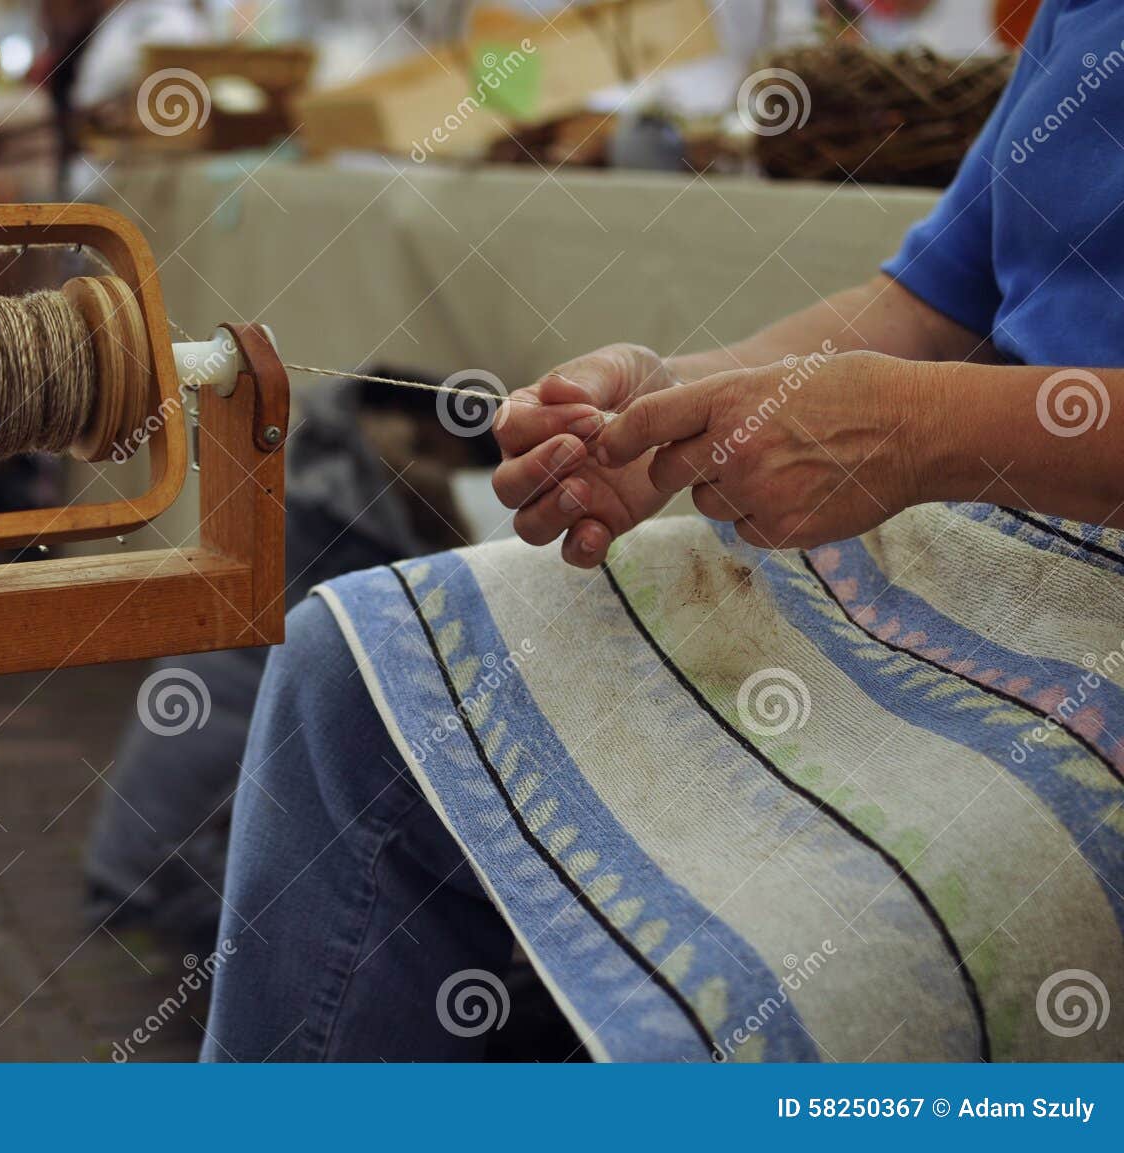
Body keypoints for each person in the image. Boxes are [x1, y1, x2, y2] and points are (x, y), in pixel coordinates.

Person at [200, 0, 1124, 1062]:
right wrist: (677, 392)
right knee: (349, 669)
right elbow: (921, 303)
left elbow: (927, 386)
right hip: (979, 540)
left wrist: (927, 430)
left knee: (735, 992)